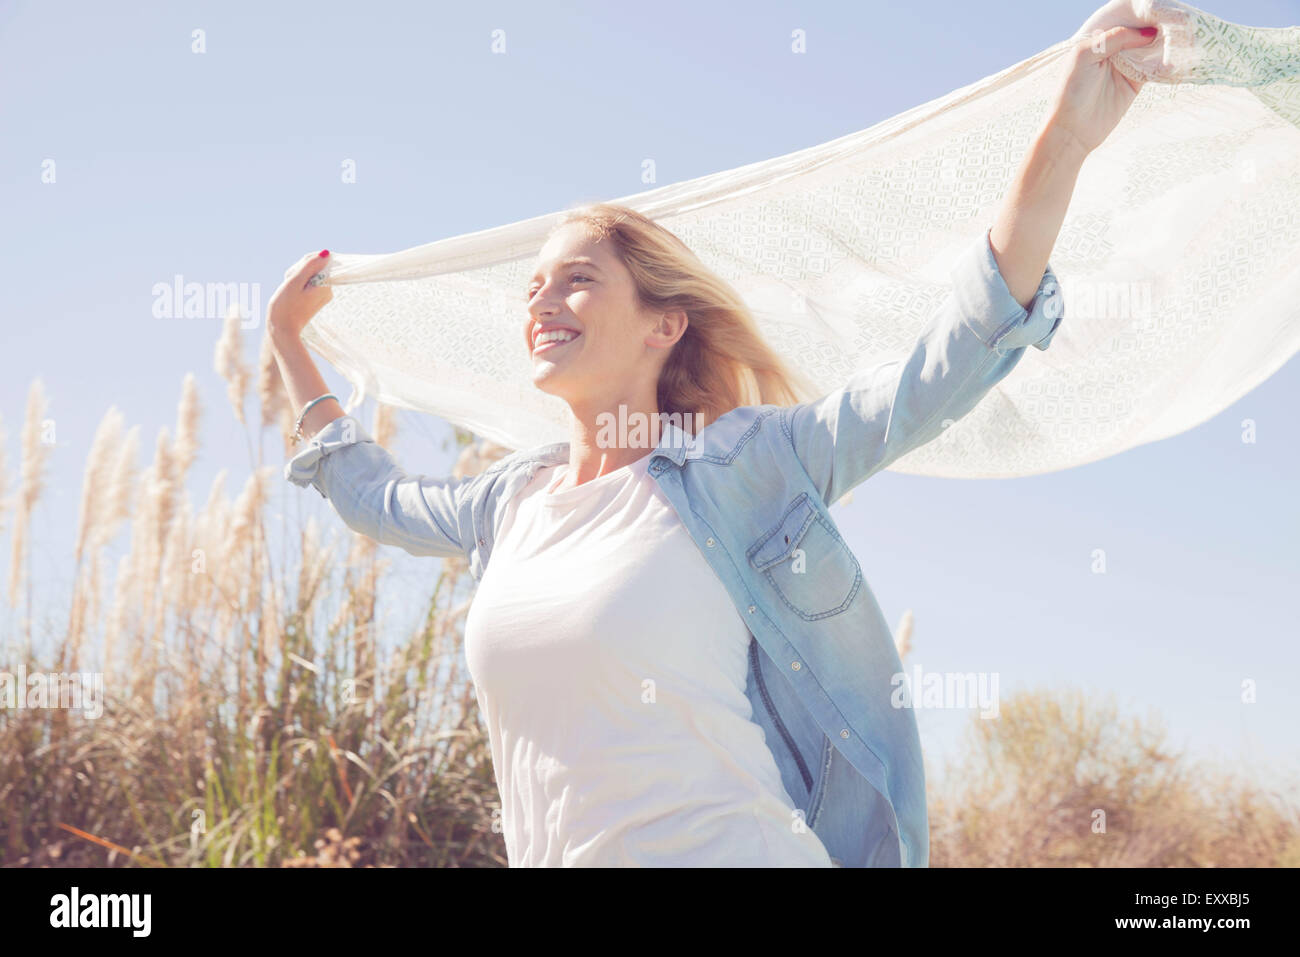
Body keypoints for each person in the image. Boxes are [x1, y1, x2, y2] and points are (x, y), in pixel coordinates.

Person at [269, 20, 1160, 867]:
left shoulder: (747, 467)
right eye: (534, 286)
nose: (542, 302)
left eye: (578, 280)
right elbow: (367, 493)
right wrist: (288, 340)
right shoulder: (506, 507)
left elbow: (949, 360)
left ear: (664, 324)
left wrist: (1068, 136)